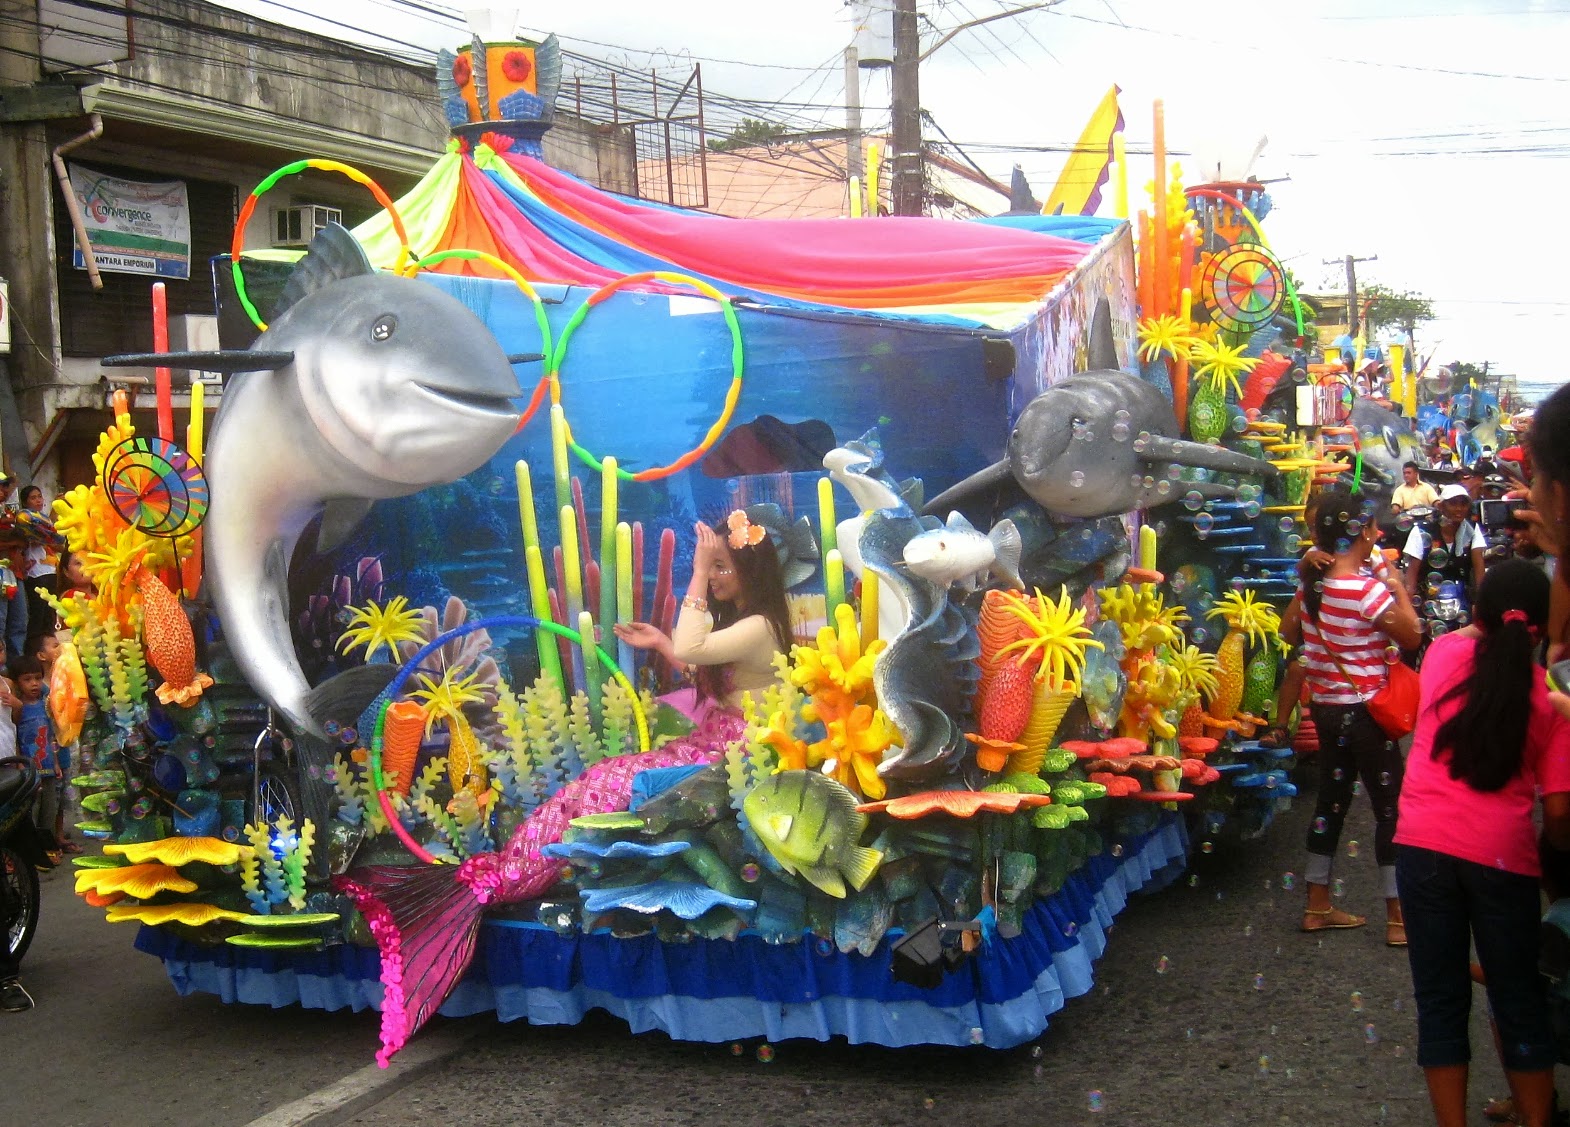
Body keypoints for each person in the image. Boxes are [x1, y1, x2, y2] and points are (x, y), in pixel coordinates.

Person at [1394, 560, 1570, 1127]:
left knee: (1440, 1001)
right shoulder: (1550, 704)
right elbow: (1561, 812)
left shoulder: (1441, 654)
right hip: (1504, 857)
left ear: (1477, 613)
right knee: (1518, 999)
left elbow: (1477, 638)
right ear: (1541, 626)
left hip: (1422, 846)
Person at [1296, 485, 1422, 940]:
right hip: (1367, 714)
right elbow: (1411, 637)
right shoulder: (1367, 591)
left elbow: (1292, 630)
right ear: (1364, 531)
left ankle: (1317, 905)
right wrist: (1395, 585)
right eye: (1373, 525)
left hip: (1327, 711)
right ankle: (1398, 917)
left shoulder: (1313, 584)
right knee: (1391, 809)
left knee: (1330, 804)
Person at [614, 511, 793, 719]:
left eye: (719, 566)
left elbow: (688, 649)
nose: (710, 575)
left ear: (749, 570)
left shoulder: (760, 626)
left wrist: (699, 571)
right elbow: (702, 673)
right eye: (709, 566)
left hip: (750, 748)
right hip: (729, 739)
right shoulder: (745, 618)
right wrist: (660, 641)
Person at [1405, 483, 1488, 607]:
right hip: (1429, 598)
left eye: (1463, 504)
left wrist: (1481, 603)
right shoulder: (1421, 531)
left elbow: (1479, 569)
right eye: (1453, 503)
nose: (1459, 508)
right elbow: (1412, 574)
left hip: (1461, 597)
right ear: (1441, 506)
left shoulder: (1472, 529)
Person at [12, 655, 60, 865]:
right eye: (27, 679)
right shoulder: (18, 708)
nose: (34, 684)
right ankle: (33, 853)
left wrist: (56, 763)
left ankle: (47, 848)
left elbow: (50, 737)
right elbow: (15, 738)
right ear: (16, 682)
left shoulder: (45, 704)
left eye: (37, 678)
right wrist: (20, 764)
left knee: (49, 809)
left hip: (48, 767)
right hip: (30, 771)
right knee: (32, 810)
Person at [17, 486, 57, 642]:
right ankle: (35, 650)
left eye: (39, 496)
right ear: (25, 502)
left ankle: (49, 649)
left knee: (50, 615)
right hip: (35, 573)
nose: (38, 500)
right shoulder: (24, 520)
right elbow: (42, 539)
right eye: (33, 498)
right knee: (37, 616)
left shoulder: (45, 520)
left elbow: (56, 542)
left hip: (49, 571)